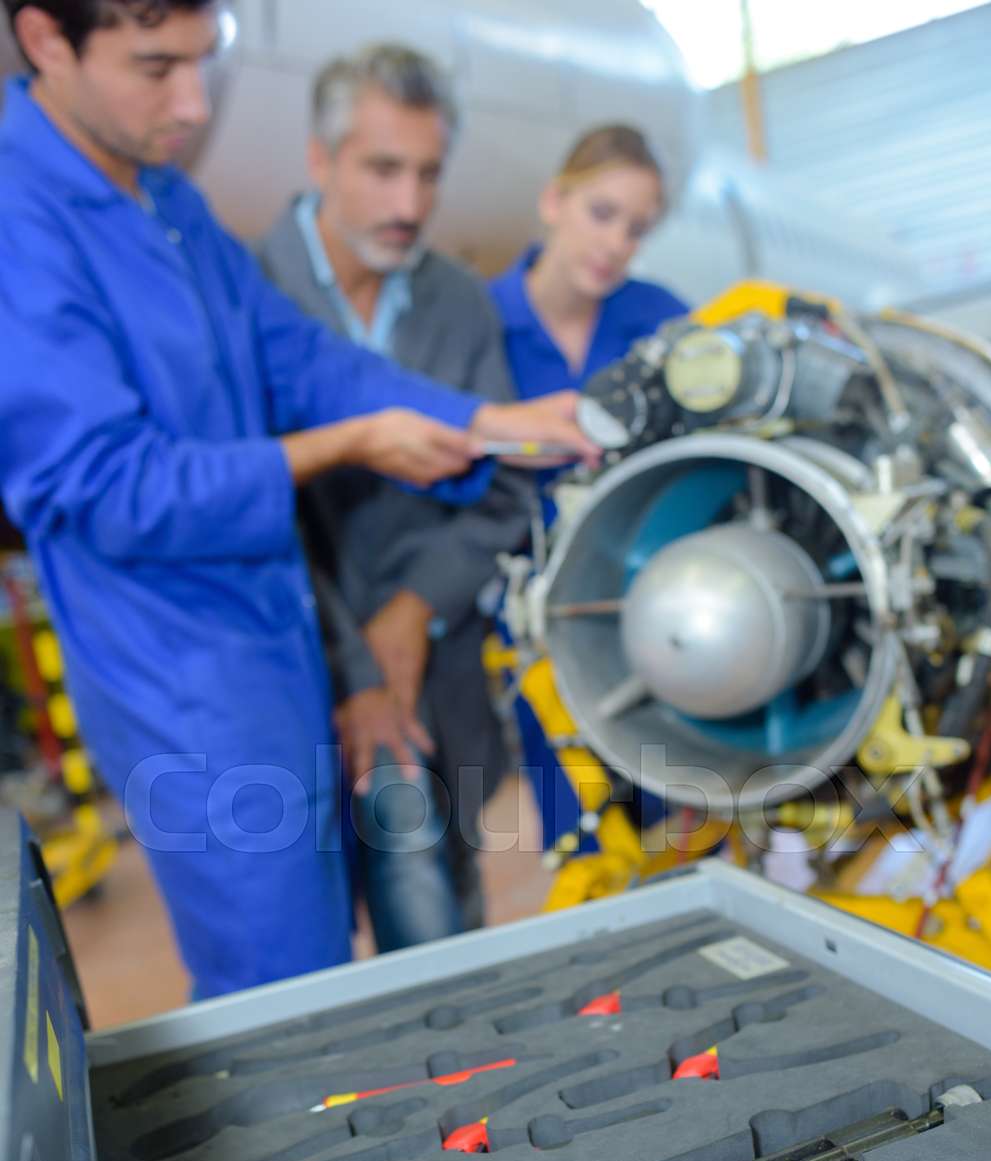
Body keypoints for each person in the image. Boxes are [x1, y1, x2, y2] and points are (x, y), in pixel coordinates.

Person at [0, 0, 594, 1000]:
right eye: (155, 68)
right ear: (46, 39)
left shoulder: (164, 196)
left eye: (204, 63)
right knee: (281, 992)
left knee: (320, 966)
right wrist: (348, 445)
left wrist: (485, 421)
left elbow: (297, 358)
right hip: (183, 680)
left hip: (271, 653)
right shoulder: (21, 222)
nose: (192, 104)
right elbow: (106, 487)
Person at [258, 46, 531, 953]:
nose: (409, 206)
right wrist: (360, 667)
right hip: (301, 684)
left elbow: (506, 492)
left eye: (427, 173)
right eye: (382, 169)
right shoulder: (252, 296)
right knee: (317, 949)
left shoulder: (458, 299)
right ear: (320, 159)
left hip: (440, 675)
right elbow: (257, 512)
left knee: (451, 918)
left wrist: (415, 610)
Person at [489, 123, 688, 855]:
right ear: (553, 201)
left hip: (660, 610)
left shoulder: (660, 318)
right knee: (585, 838)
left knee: (685, 831)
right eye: (602, 214)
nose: (615, 244)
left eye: (637, 229)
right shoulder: (482, 322)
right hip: (543, 637)